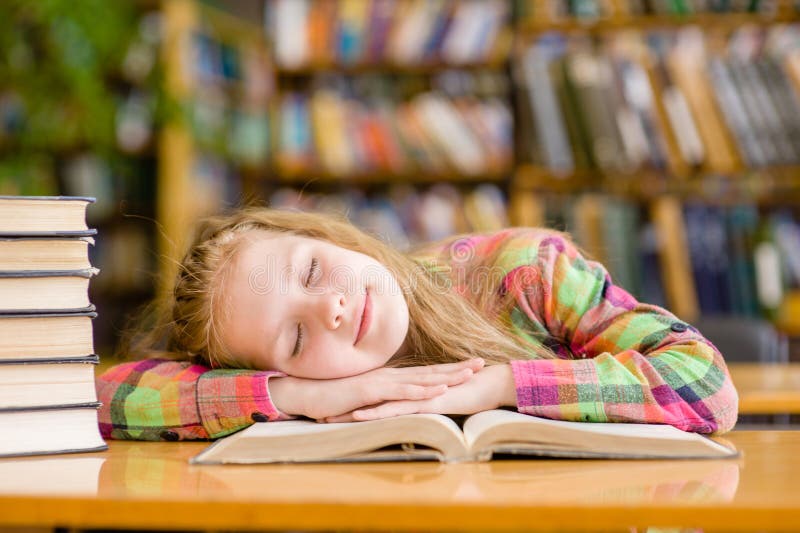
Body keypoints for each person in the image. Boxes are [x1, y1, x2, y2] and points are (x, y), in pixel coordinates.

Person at [96, 207, 738, 441]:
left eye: (314, 271)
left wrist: (500, 384)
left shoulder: (523, 272)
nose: (331, 310)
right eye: (295, 339)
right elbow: (106, 397)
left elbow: (705, 384)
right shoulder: (301, 386)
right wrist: (298, 396)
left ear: (330, 237)